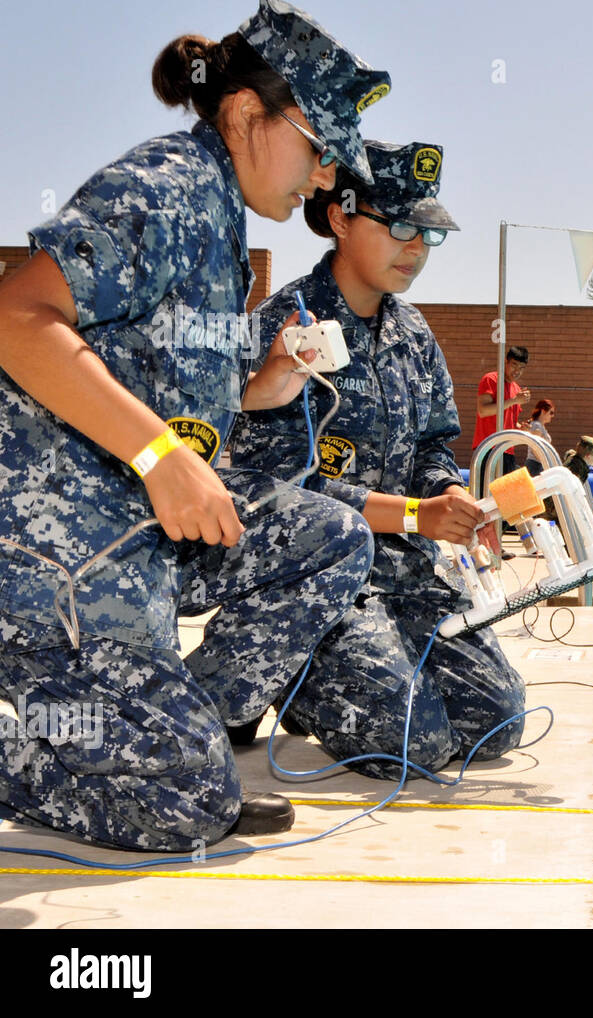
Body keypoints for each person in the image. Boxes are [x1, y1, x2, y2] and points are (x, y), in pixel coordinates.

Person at [0, 1, 385, 851]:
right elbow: (16, 317)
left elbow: (152, 383)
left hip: (138, 533)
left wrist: (260, 385)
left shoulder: (224, 214)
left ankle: (175, 738)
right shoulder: (167, 186)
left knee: (331, 537)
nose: (326, 180)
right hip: (52, 555)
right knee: (187, 806)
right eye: (321, 149)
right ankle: (95, 749)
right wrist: (157, 451)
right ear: (247, 113)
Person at [226, 140, 525, 778]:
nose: (416, 248)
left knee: (498, 722)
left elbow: (432, 447)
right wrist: (417, 514)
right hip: (320, 584)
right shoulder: (286, 329)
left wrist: (452, 497)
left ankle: (345, 683)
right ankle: (284, 672)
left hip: (406, 577)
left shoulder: (413, 334)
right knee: (414, 746)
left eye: (428, 234)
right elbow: (277, 489)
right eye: (400, 226)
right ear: (340, 218)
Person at [472, 346, 530, 473]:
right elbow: (483, 411)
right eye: (514, 365)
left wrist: (521, 429)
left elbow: (510, 423)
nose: (517, 371)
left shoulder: (516, 388)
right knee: (485, 492)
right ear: (506, 362)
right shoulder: (491, 379)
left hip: (507, 450)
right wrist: (514, 400)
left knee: (503, 493)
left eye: (521, 368)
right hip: (487, 448)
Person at [524, 398, 556, 476]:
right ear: (543, 411)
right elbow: (535, 448)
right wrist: (545, 462)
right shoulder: (537, 426)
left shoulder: (540, 426)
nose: (552, 416)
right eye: (551, 412)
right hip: (535, 465)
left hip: (537, 464)